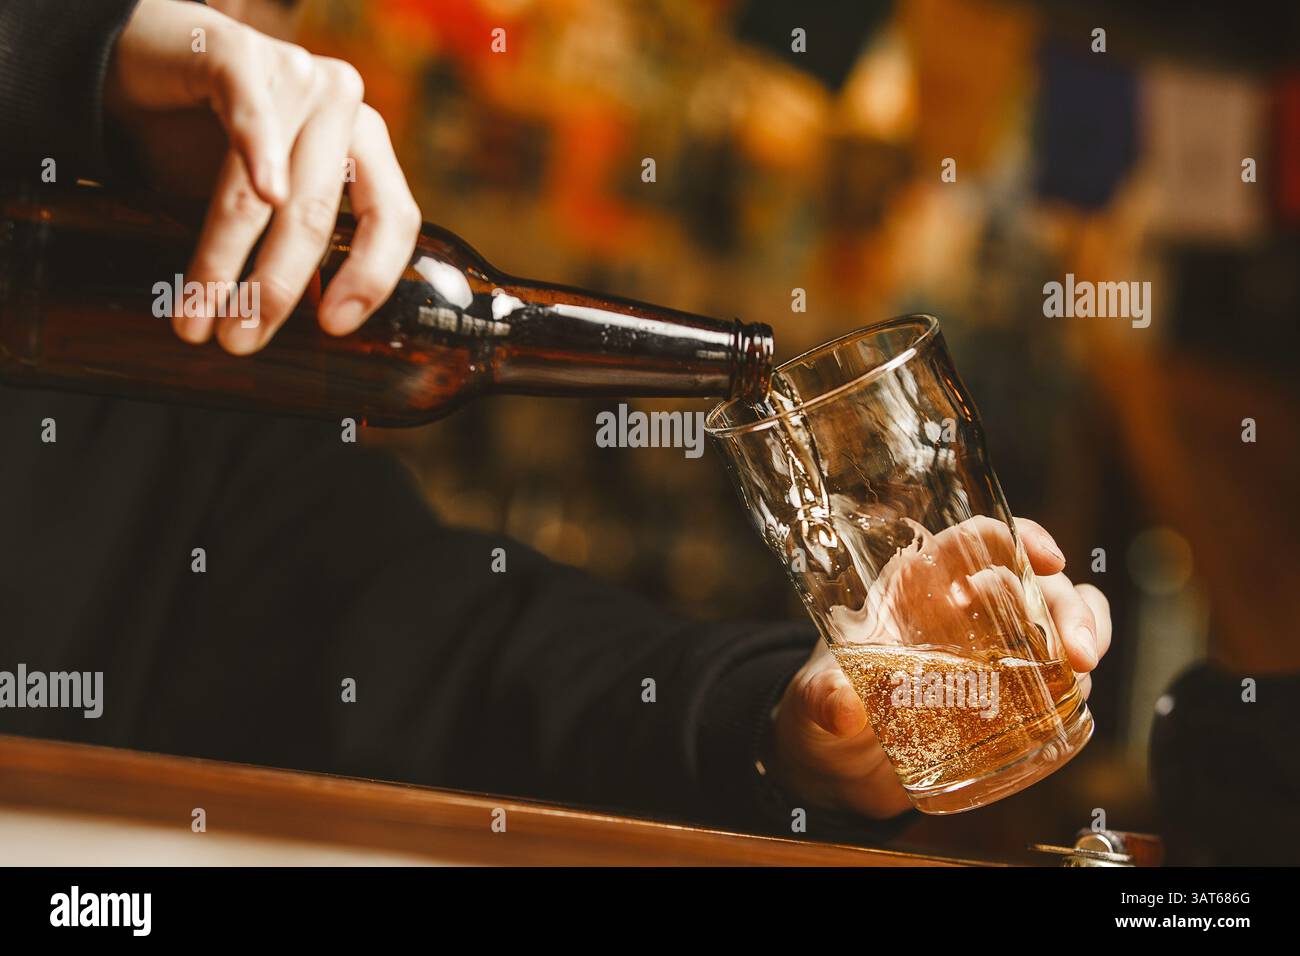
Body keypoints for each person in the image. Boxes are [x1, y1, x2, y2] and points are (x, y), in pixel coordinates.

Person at [0, 0, 1111, 834]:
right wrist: (66, 60)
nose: (257, 44)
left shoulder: (208, 384)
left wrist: (786, 717)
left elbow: (452, 645)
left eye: (271, 11)